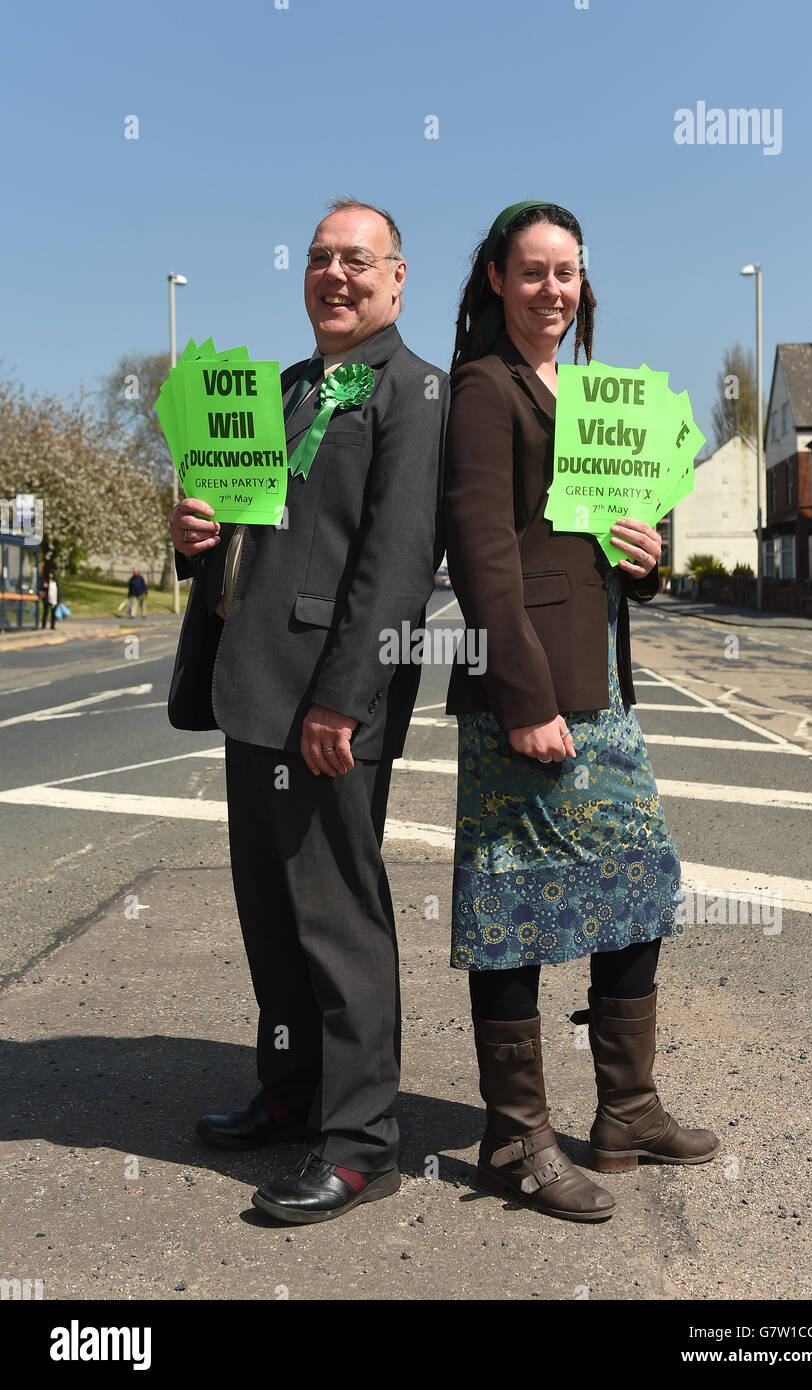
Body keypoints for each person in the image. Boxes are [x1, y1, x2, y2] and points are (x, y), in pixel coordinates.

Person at [167, 198, 449, 1224]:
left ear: (396, 277)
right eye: (321, 258)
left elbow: (396, 562)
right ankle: (289, 1091)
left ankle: (360, 1135)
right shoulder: (280, 389)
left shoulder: (414, 391)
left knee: (338, 920)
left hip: (330, 699)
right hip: (252, 688)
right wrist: (192, 534)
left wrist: (343, 696)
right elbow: (246, 532)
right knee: (272, 914)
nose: (334, 274)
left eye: (355, 260)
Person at [443, 201, 719, 1223]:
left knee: (637, 884)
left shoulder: (596, 398)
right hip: (528, 689)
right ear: (494, 283)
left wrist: (647, 557)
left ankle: (625, 1112)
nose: (550, 289)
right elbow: (479, 552)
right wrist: (521, 700)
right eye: (531, 272)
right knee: (512, 909)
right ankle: (514, 1139)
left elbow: (609, 545)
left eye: (566, 273)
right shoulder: (482, 388)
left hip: (600, 682)